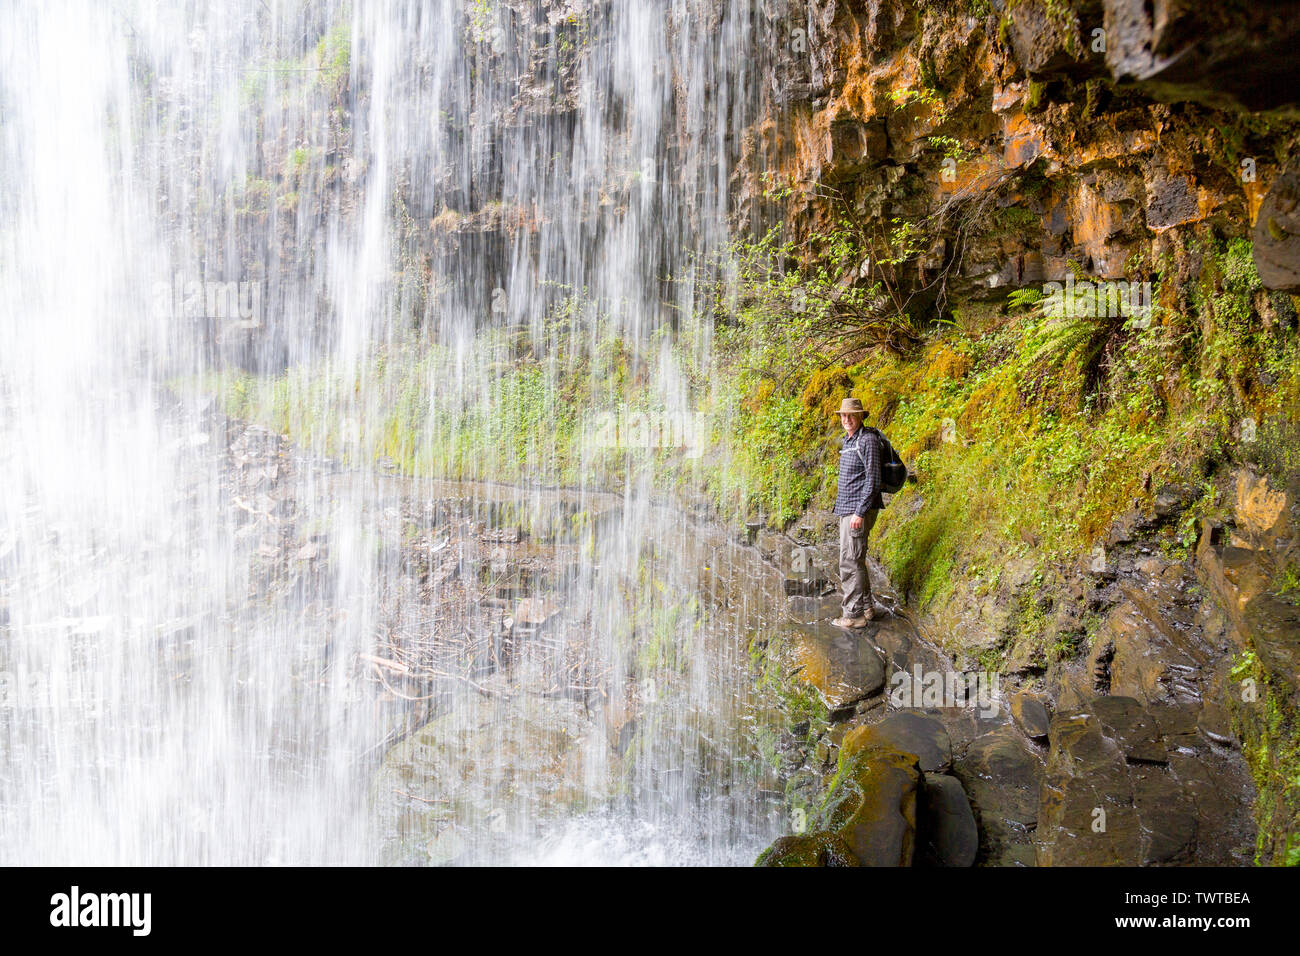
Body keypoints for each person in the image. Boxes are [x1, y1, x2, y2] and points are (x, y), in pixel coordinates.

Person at [830, 397, 882, 628]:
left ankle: (853, 616)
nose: (846, 419)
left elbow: (873, 478)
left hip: (857, 510)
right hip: (847, 509)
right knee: (855, 560)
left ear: (861, 416)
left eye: (851, 415)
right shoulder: (848, 440)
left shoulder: (867, 440)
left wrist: (859, 513)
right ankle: (867, 607)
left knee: (849, 562)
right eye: (843, 415)